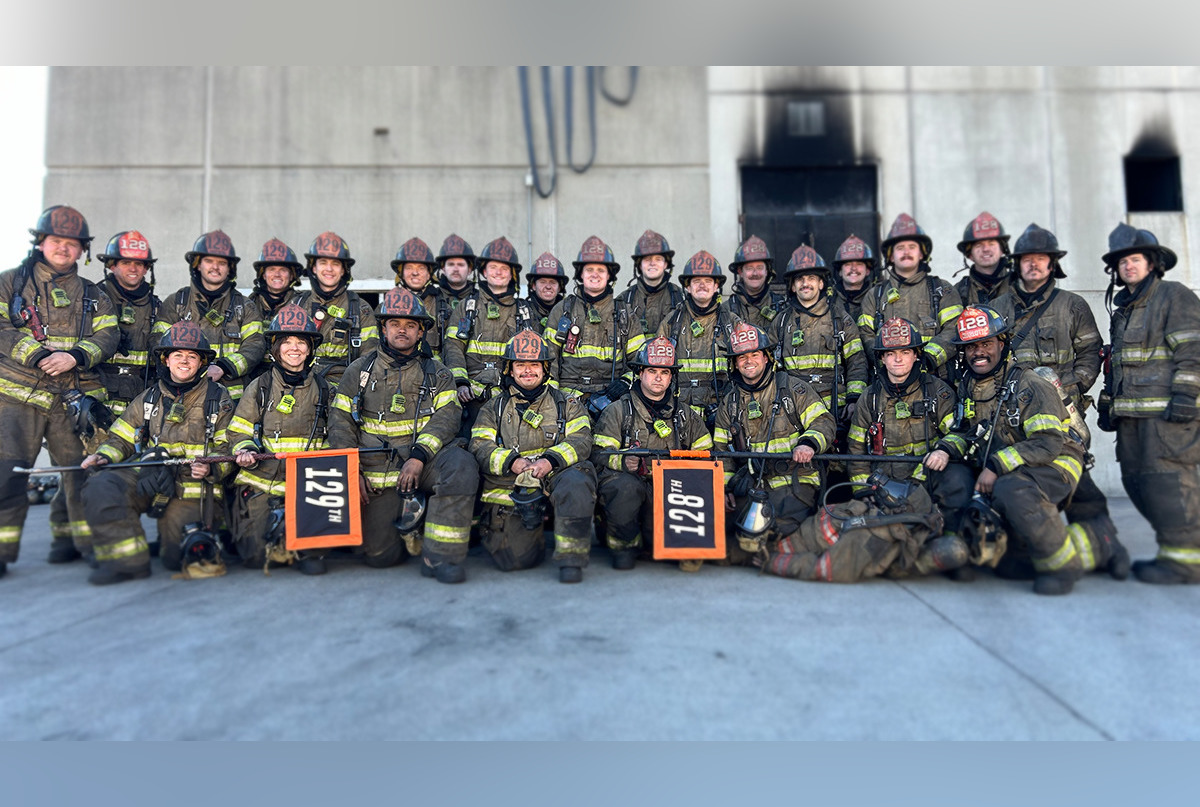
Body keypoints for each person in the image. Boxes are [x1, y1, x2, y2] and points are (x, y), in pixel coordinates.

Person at [933, 306, 1122, 595]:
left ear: (1002, 344)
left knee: (1012, 490)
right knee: (1011, 567)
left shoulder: (1029, 384)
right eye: (971, 346)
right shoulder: (968, 385)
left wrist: (995, 467)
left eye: (986, 343)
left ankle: (1069, 562)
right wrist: (946, 450)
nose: (978, 352)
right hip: (1016, 464)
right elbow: (964, 431)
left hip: (1056, 461)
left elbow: (1047, 442)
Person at [995, 223, 1122, 579]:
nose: (1033, 265)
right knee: (1022, 478)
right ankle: (1027, 552)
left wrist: (1070, 387)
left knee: (1075, 481)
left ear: (1053, 264)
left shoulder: (1072, 305)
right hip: (1015, 419)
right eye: (1027, 260)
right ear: (1016, 264)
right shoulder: (999, 307)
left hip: (1066, 416)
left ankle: (1104, 542)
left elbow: (1090, 355)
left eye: (1041, 259)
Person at [0, 206, 119, 578]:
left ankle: (90, 547)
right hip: (16, 398)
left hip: (73, 399)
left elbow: (109, 334)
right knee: (8, 474)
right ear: (40, 243)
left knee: (83, 475)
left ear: (82, 250)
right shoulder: (9, 283)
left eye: (72, 244)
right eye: (57, 241)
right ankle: (1, 552)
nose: (64, 249)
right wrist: (35, 354)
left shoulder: (94, 294)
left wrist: (75, 357)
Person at [327, 287, 477, 581]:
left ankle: (441, 557)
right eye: (395, 323)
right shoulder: (359, 371)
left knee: (461, 466)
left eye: (411, 325)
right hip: (376, 470)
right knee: (380, 558)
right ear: (383, 328)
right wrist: (351, 470)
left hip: (424, 462)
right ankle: (410, 517)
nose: (402, 330)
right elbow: (340, 423)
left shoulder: (438, 372)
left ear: (421, 333)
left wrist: (420, 456)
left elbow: (448, 418)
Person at [79, 322, 234, 584]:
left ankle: (167, 543)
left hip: (191, 487)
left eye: (192, 356)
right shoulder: (150, 397)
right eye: (178, 355)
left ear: (201, 363)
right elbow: (121, 437)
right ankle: (128, 561)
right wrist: (104, 456)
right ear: (166, 360)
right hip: (152, 475)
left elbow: (229, 447)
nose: (184, 361)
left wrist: (211, 467)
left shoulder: (218, 399)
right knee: (102, 485)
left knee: (174, 558)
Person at [1099, 223, 1200, 584]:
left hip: (1167, 419)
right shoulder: (1123, 308)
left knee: (1169, 485)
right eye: (1123, 261)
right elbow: (1118, 363)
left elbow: (1192, 350)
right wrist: (1108, 403)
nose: (1128, 266)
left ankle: (1185, 562)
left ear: (1153, 263)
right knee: (1137, 483)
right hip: (1131, 419)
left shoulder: (1173, 296)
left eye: (1135, 259)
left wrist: (1188, 396)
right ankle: (1174, 554)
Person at [846, 317, 973, 574]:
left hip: (925, 479)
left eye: (905, 352)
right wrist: (863, 490)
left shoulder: (938, 391)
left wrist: (944, 449)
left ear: (917, 355)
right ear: (881, 358)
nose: (898, 359)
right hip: (884, 485)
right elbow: (855, 449)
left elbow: (960, 432)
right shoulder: (869, 399)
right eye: (890, 353)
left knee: (958, 479)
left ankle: (950, 545)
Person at [470, 329, 596, 583]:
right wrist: (512, 462)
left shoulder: (568, 403)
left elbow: (582, 441)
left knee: (577, 481)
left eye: (534, 364)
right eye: (520, 364)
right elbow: (479, 445)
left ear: (545, 369)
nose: (528, 370)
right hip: (512, 485)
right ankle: (532, 536)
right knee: (515, 560)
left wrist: (549, 461)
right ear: (510, 369)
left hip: (555, 477)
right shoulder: (493, 407)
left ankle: (571, 559)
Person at [712, 323, 836, 569]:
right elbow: (721, 452)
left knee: (777, 529)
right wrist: (724, 488)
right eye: (742, 357)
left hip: (795, 482)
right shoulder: (730, 402)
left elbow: (824, 421)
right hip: (752, 485)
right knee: (719, 526)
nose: (748, 361)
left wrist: (809, 443)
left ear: (767, 358)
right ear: (734, 364)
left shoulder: (793, 388)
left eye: (755, 354)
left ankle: (766, 555)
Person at [593, 336, 714, 571]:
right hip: (633, 489)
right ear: (640, 373)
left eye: (665, 372)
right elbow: (598, 454)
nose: (658, 377)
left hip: (671, 494)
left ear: (671, 377)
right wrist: (623, 461)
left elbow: (708, 458)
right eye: (652, 370)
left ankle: (668, 544)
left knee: (672, 552)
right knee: (623, 486)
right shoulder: (618, 411)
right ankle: (624, 546)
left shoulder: (686, 415)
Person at [228, 304, 331, 574]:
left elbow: (338, 433)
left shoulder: (324, 388)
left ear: (310, 349)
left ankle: (300, 538)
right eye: (287, 341)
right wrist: (245, 449)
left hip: (310, 484)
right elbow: (238, 428)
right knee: (255, 557)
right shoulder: (259, 387)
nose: (294, 348)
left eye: (301, 342)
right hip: (264, 480)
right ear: (276, 348)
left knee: (312, 563)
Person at [769, 244, 867, 444]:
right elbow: (770, 368)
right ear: (792, 286)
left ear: (822, 284)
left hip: (835, 408)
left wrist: (853, 399)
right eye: (800, 279)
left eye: (811, 278)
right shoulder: (780, 322)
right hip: (792, 409)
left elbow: (856, 361)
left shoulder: (841, 319)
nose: (806, 284)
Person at [154, 230, 266, 401]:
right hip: (182, 396)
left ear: (230, 268)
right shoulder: (176, 303)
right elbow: (157, 343)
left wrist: (224, 367)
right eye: (209, 261)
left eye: (221, 262)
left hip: (232, 401)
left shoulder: (245, 307)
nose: (215, 267)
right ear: (198, 265)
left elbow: (255, 346)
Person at [543, 235, 647, 418]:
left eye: (601, 270)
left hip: (611, 403)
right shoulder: (562, 311)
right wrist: (554, 400)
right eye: (589, 269)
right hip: (566, 401)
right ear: (580, 275)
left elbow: (640, 363)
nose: (595, 274)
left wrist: (624, 383)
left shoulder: (625, 315)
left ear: (609, 276)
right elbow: (548, 361)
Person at [443, 236, 537, 429]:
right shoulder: (467, 307)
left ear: (512, 274)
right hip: (471, 396)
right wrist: (460, 383)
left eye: (504, 269)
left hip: (511, 393)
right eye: (493, 268)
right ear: (484, 271)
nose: (498, 273)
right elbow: (453, 347)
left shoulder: (525, 311)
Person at [858, 213, 963, 379]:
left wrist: (927, 359)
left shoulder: (942, 290)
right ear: (891, 256)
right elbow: (865, 336)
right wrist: (888, 362)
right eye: (900, 248)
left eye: (912, 247)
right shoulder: (875, 295)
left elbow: (954, 329)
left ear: (922, 254)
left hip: (935, 379)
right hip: (888, 384)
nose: (906, 252)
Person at [656, 250, 739, 427]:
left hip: (720, 412)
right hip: (677, 411)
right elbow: (656, 368)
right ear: (687, 287)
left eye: (708, 281)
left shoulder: (732, 323)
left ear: (717, 286)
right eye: (696, 281)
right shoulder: (672, 322)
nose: (702, 285)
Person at [290, 231, 378, 388]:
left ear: (344, 270)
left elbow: (369, 358)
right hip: (301, 389)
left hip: (345, 390)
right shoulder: (296, 306)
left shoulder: (361, 309)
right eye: (323, 262)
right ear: (314, 268)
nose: (329, 269)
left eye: (335, 264)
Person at [617, 229, 684, 339]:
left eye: (658, 259)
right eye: (647, 259)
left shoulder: (680, 298)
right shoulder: (624, 300)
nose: (652, 263)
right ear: (639, 265)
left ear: (666, 264)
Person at [391, 236, 444, 359]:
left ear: (429, 274)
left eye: (421, 268)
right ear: (401, 273)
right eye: (409, 268)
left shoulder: (442, 307)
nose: (415, 273)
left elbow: (452, 350)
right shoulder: (387, 307)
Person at [726, 234, 786, 333]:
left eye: (759, 268)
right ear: (740, 272)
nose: (755, 273)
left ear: (767, 271)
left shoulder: (782, 307)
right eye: (749, 268)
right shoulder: (727, 309)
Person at [954, 212, 1014, 308]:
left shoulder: (1020, 286)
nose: (986, 249)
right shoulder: (958, 293)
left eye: (991, 243)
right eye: (979, 245)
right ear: (970, 254)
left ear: (1002, 249)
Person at [249, 237, 303, 325]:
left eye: (283, 270)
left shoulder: (303, 303)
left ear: (291, 276)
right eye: (272, 269)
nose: (277, 274)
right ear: (263, 275)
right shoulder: (249, 304)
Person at [830, 234, 875, 329]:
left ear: (867, 270)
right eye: (847, 264)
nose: (853, 268)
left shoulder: (878, 297)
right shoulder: (829, 300)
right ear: (840, 271)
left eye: (859, 264)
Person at [524, 251, 568, 330]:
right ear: (533, 286)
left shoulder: (569, 312)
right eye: (542, 282)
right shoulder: (522, 312)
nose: (548, 287)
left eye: (553, 282)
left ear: (560, 287)